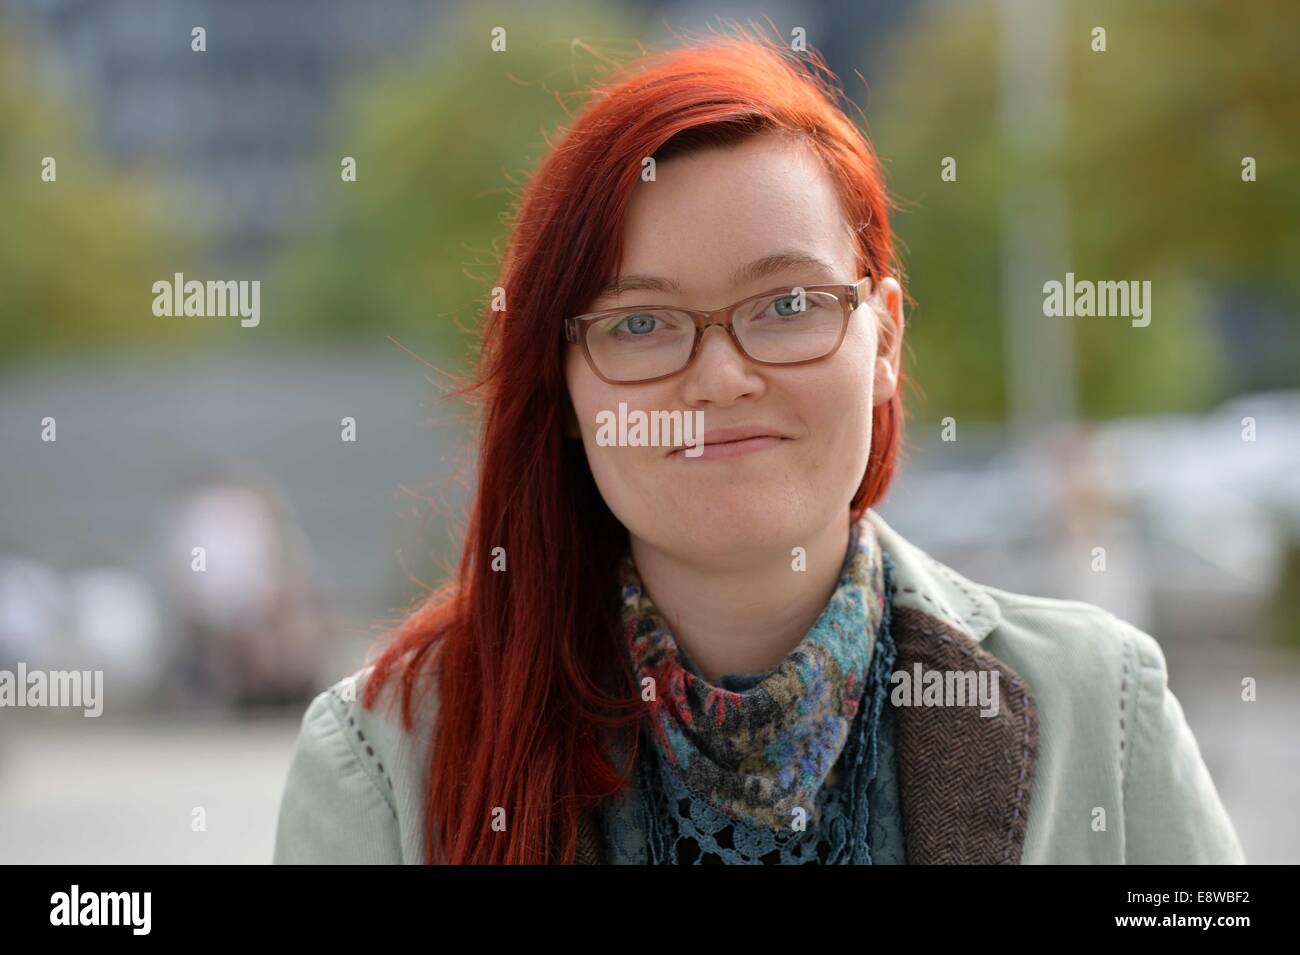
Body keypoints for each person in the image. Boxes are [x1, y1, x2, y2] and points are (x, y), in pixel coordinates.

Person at [273, 30, 1245, 864]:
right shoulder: (387, 754)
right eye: (642, 324)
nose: (721, 377)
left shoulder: (1096, 705)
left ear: (884, 342)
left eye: (786, 305)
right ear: (564, 389)